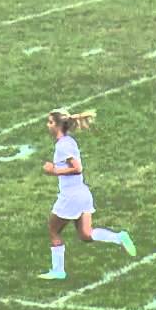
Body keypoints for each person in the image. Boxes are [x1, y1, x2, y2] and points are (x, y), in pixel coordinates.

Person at [38, 110, 136, 280]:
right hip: (82, 194)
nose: (48, 125)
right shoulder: (69, 141)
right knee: (85, 234)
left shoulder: (63, 145)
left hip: (70, 197)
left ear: (58, 125)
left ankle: (58, 270)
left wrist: (54, 171)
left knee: (53, 230)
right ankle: (118, 237)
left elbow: (77, 168)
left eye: (50, 122)